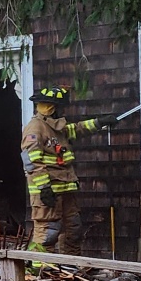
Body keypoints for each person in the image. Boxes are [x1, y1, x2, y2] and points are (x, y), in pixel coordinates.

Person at [21, 85, 104, 254]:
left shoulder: (56, 127)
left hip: (65, 188)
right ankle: (41, 270)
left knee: (73, 229)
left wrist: (99, 123)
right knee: (48, 232)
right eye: (60, 108)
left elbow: (75, 129)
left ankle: (70, 266)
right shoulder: (35, 128)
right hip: (47, 191)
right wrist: (44, 188)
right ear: (53, 108)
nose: (63, 112)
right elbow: (31, 161)